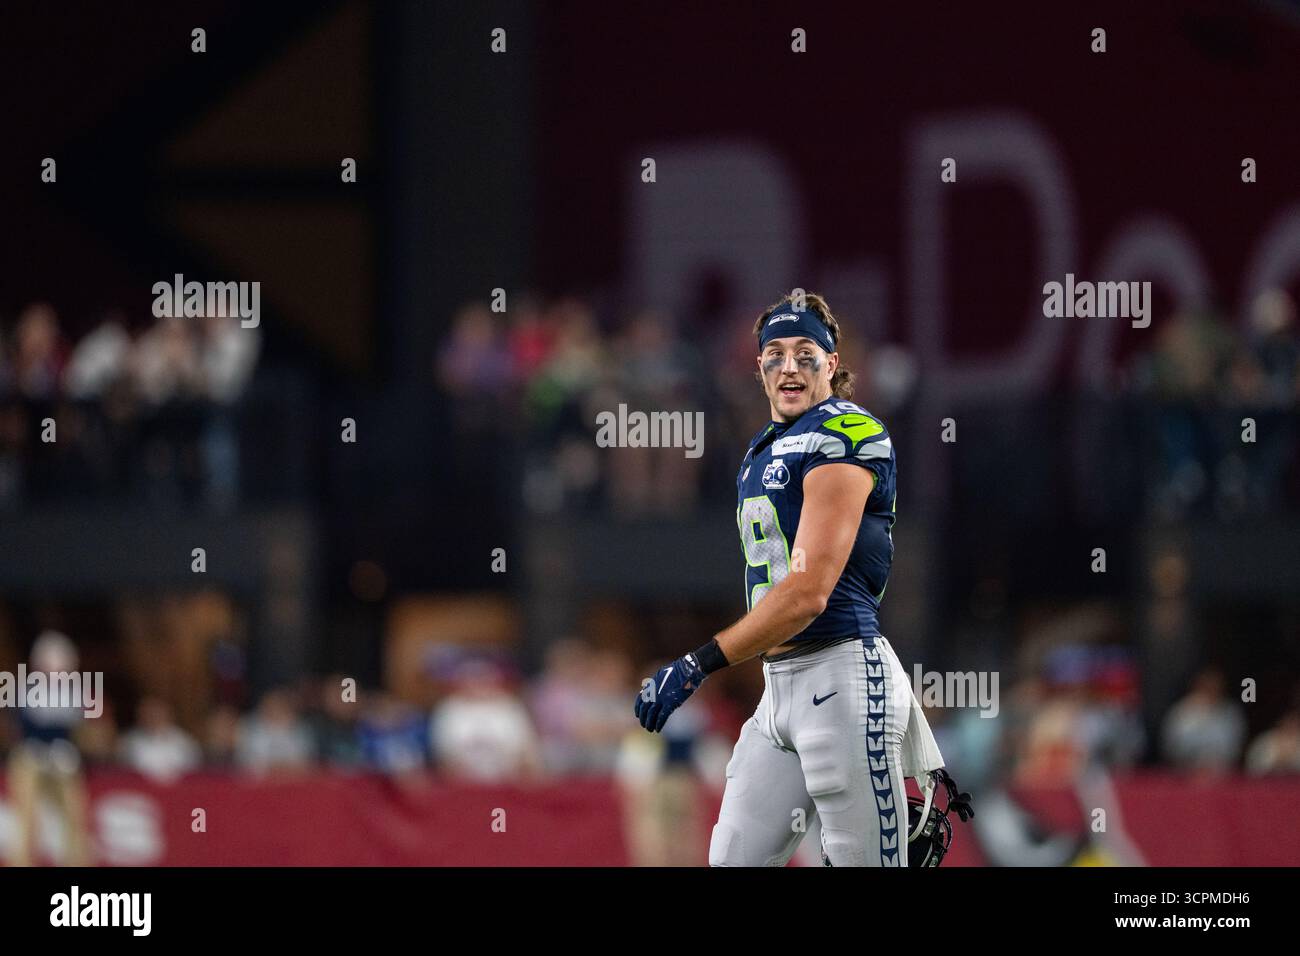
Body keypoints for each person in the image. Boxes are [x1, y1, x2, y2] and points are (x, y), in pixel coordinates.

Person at [634, 292, 948, 867]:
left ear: (832, 363)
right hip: (778, 690)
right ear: (758, 367)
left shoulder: (848, 431)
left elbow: (807, 593)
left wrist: (697, 663)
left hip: (842, 674)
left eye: (806, 353)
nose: (789, 366)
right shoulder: (761, 449)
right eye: (774, 354)